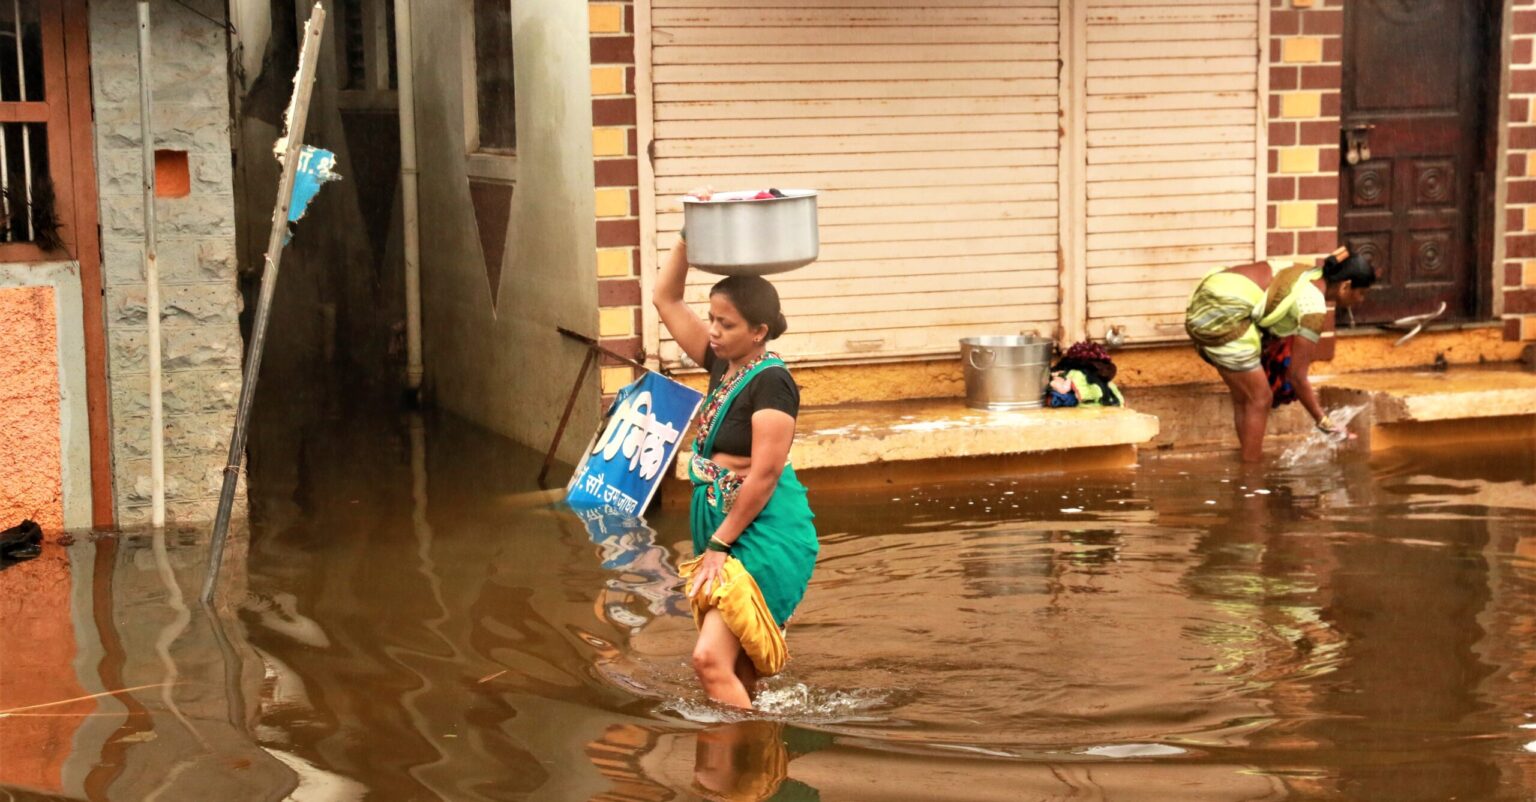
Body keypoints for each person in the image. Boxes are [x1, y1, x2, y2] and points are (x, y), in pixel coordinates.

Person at [652, 187, 819, 708]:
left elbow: (764, 476)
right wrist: (687, 234)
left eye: (726, 325)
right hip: (726, 525)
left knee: (708, 660)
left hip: (761, 532)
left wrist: (719, 546)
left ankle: (751, 759)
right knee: (738, 671)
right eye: (714, 321)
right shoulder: (724, 364)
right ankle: (740, 776)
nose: (714, 332)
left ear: (759, 331)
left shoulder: (773, 384)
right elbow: (665, 298)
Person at [1184, 246, 1375, 462]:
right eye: (1361, 293)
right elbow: (1296, 377)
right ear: (1345, 286)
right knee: (1261, 398)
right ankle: (1251, 476)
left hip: (1207, 298)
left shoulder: (1305, 273)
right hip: (1223, 312)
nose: (1361, 300)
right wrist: (1324, 423)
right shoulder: (1313, 306)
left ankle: (1248, 462)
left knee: (1244, 398)